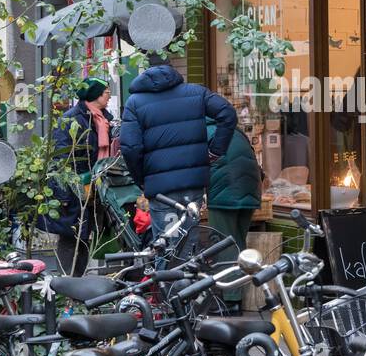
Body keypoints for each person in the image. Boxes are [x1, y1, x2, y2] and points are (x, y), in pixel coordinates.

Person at [119, 55, 237, 242]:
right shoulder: (196, 92)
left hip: (160, 187)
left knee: (166, 244)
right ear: (173, 71)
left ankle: (165, 270)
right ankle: (188, 269)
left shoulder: (135, 102)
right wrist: (215, 151)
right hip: (193, 182)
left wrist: (141, 179)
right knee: (188, 241)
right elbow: (228, 114)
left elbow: (130, 147)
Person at [42, 77, 112, 276]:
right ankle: (67, 284)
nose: (108, 95)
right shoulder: (71, 119)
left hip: (96, 189)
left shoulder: (104, 119)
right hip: (75, 189)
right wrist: (63, 195)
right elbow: (60, 160)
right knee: (71, 237)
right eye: (106, 91)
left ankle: (79, 283)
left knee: (86, 236)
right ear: (95, 95)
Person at [206, 120, 263, 310]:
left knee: (224, 245)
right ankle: (238, 295)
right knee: (238, 242)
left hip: (224, 194)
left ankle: (230, 300)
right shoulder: (236, 131)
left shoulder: (203, 131)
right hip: (250, 190)